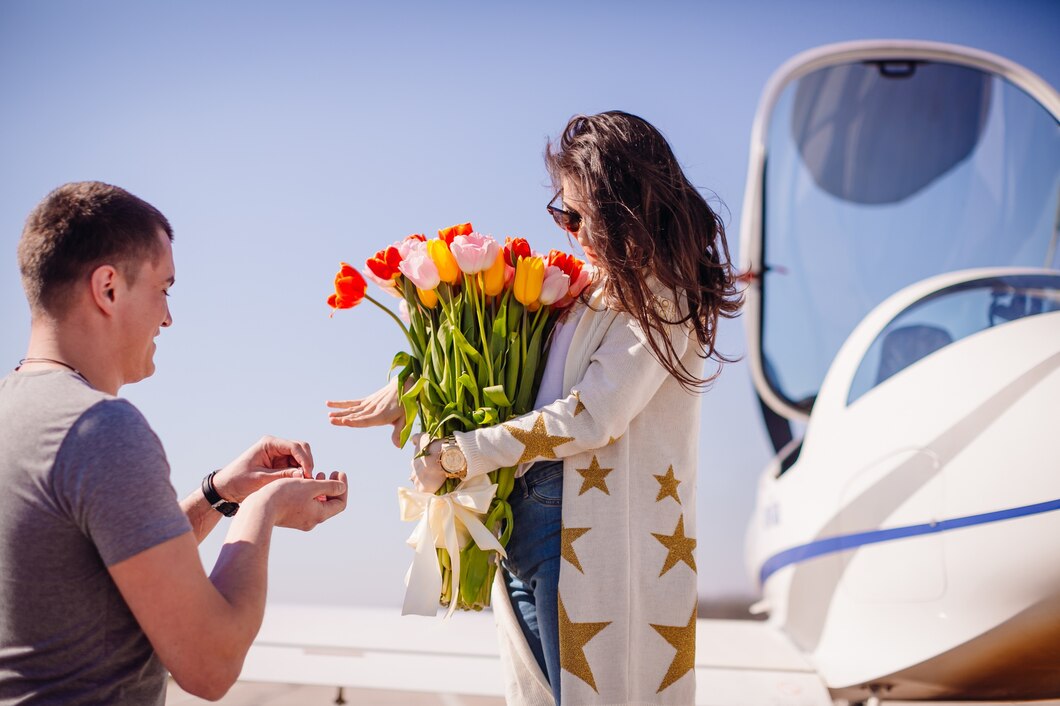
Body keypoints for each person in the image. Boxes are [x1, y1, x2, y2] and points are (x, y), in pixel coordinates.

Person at [329, 111, 741, 705]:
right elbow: (520, 375)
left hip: (580, 526)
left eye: (577, 215)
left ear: (620, 205)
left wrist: (457, 455)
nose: (567, 230)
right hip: (532, 519)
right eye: (560, 214)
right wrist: (413, 390)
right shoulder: (593, 289)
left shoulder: (662, 294)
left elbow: (592, 416)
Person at [0, 182, 349, 704]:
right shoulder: (101, 429)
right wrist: (266, 507)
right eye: (164, 289)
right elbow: (211, 665)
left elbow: (108, 566)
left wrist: (220, 494)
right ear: (109, 289)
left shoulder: (18, 412)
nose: (168, 317)